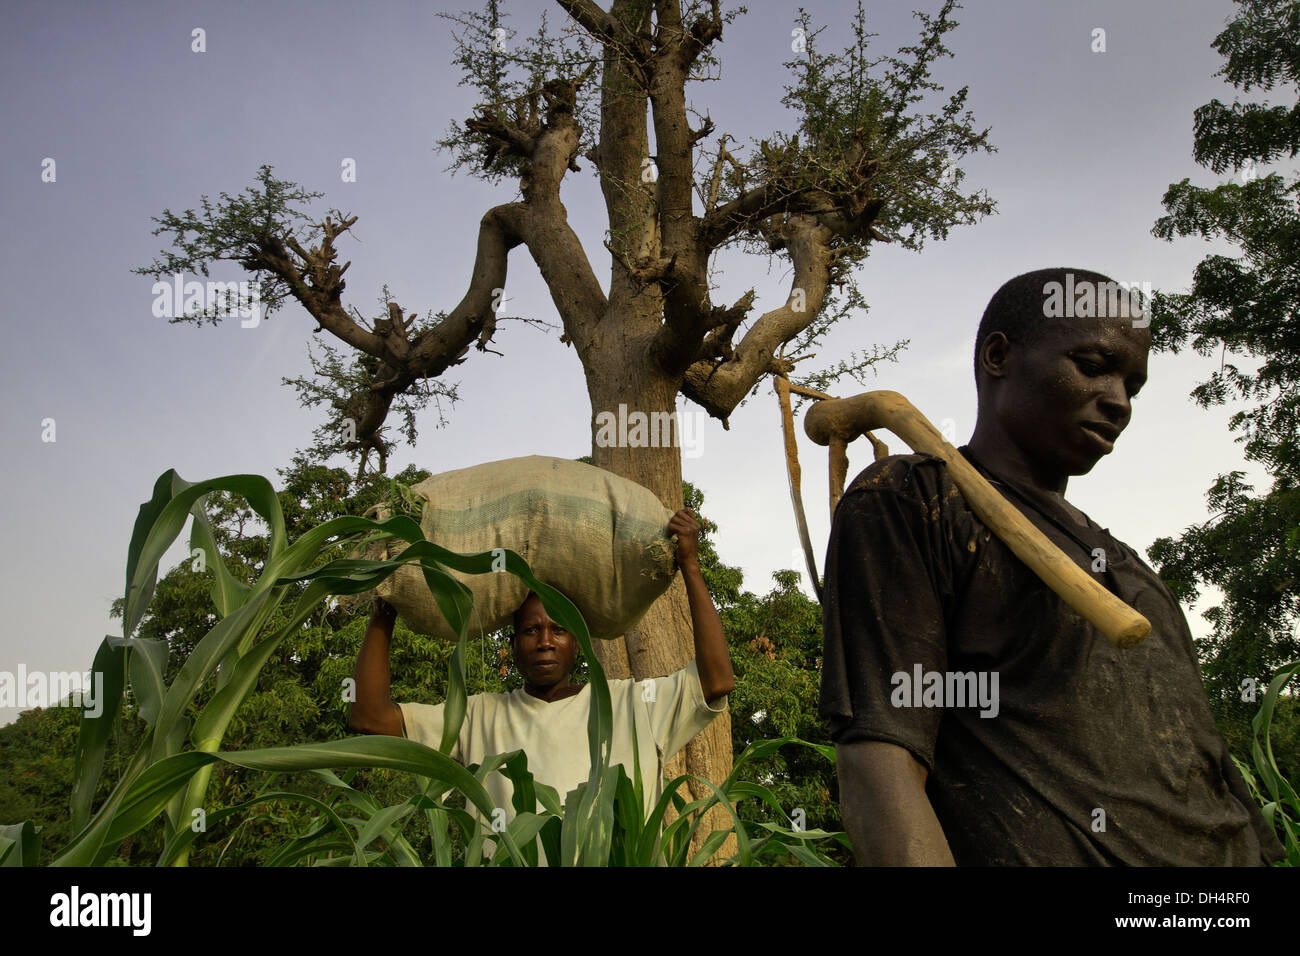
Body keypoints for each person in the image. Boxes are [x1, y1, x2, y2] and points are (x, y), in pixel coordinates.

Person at [821, 267, 1285, 866]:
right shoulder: (916, 501)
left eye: (1132, 385)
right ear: (998, 357)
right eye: (1093, 366)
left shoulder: (1135, 575)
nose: (1118, 401)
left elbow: (1210, 772)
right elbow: (880, 758)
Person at [347, 506, 733, 848]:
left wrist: (691, 567)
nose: (545, 641)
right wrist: (387, 598)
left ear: (578, 642)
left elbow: (715, 681)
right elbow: (369, 717)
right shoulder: (479, 717)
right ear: (514, 644)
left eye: (559, 629)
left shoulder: (632, 705)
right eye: (531, 631)